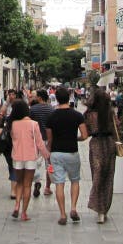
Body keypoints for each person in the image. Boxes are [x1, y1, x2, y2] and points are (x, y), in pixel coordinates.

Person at [46, 86, 88, 225]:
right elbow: (85, 135)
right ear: (69, 97)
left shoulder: (51, 116)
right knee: (75, 180)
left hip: (56, 153)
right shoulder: (77, 115)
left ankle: (62, 214)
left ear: (56, 98)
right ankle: (74, 208)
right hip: (72, 152)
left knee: (59, 183)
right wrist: (76, 139)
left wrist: (48, 152)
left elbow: (49, 139)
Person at [8, 99, 50, 222]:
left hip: (16, 157)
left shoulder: (13, 124)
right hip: (30, 157)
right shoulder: (33, 124)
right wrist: (47, 155)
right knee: (27, 185)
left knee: (19, 183)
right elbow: (40, 143)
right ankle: (24, 213)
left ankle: (16, 206)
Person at [86, 88, 118, 224]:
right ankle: (104, 209)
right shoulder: (110, 113)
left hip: (96, 145)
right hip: (109, 144)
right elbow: (117, 127)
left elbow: (87, 131)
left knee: (97, 175)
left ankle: (97, 206)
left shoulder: (89, 114)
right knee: (108, 177)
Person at [29, 89, 54, 197]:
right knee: (49, 164)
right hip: (49, 140)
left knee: (36, 163)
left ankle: (37, 181)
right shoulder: (51, 109)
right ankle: (48, 187)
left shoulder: (33, 109)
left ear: (39, 97)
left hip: (36, 139)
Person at [0, 89, 18, 199]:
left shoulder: (20, 104)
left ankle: (15, 188)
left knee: (15, 165)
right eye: (9, 94)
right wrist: (6, 103)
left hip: (18, 141)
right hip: (9, 141)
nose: (11, 96)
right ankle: (14, 188)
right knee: (12, 165)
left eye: (13, 94)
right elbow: (0, 116)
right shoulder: (6, 105)